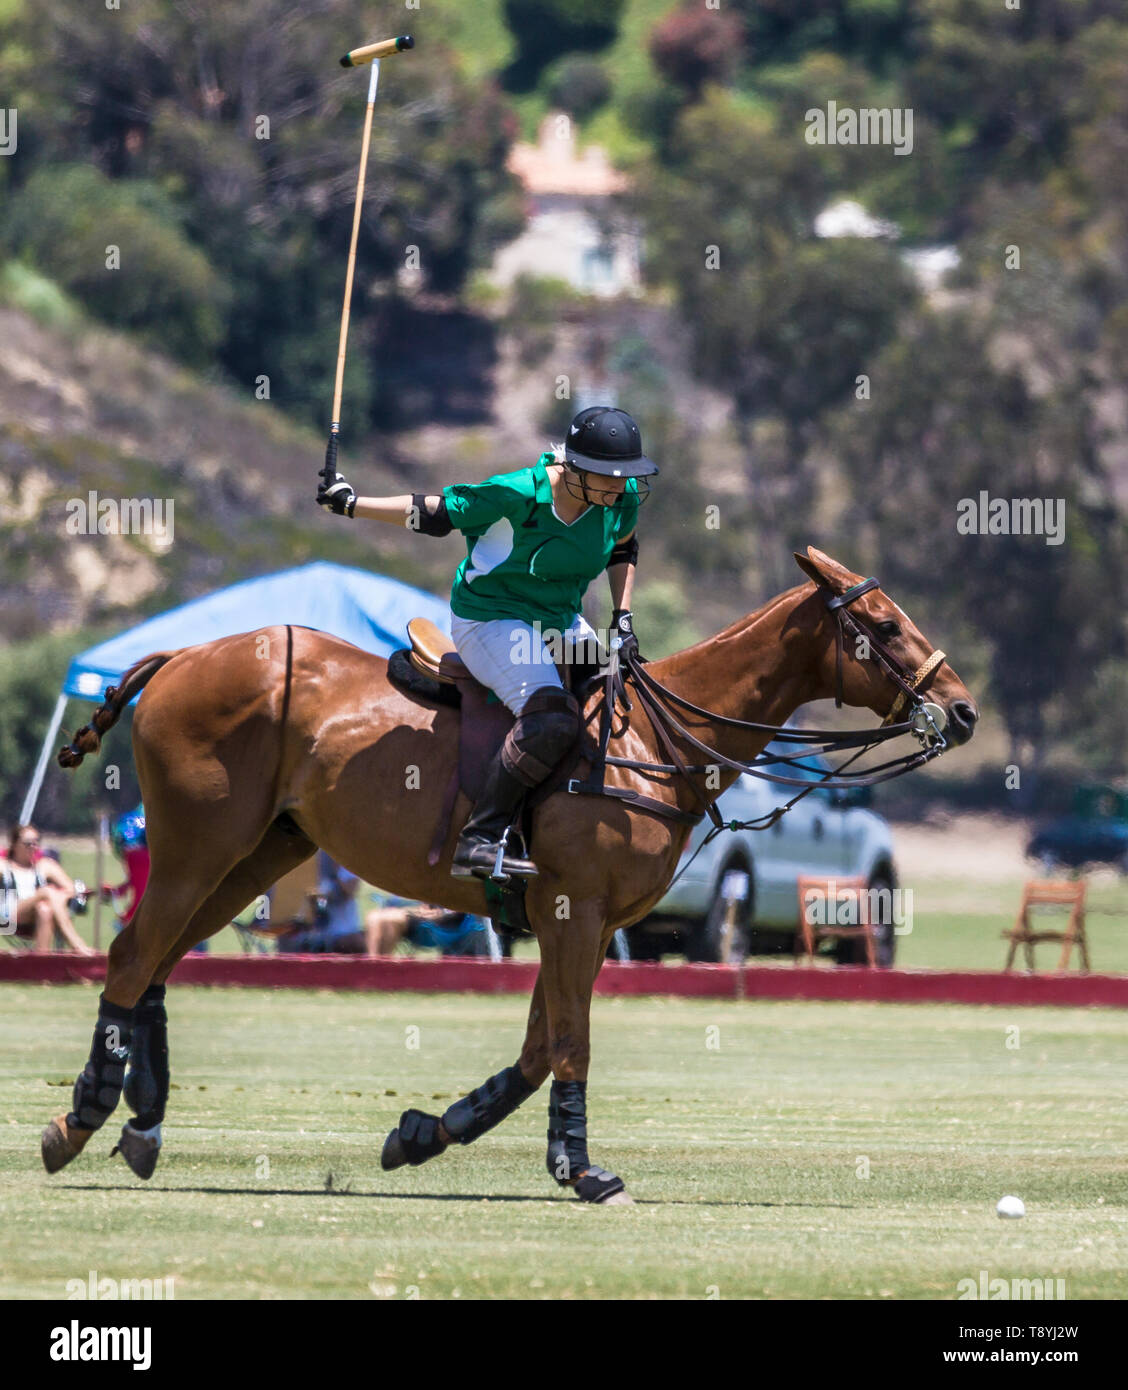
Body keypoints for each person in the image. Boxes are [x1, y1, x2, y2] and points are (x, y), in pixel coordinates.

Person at [317, 405, 657, 881]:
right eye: (610, 478)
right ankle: (480, 839)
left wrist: (622, 618)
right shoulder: (517, 493)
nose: (622, 488)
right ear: (576, 468)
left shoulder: (617, 499)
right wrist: (352, 503)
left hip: (558, 622)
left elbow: (623, 548)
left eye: (628, 478)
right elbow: (434, 513)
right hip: (491, 620)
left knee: (628, 687)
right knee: (553, 718)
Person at [0, 824, 96, 955]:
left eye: (36, 842)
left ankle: (41, 966)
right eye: (28, 843)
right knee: (48, 891)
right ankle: (77, 944)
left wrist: (59, 898)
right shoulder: (4, 865)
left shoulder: (44, 866)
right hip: (10, 915)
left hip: (36, 915)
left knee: (45, 910)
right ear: (14, 844)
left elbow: (71, 890)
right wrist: (51, 895)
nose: (33, 847)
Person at [275, 850, 365, 953]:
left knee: (355, 943)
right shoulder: (292, 846)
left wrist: (337, 856)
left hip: (339, 934)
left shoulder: (339, 846)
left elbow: (351, 888)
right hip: (298, 934)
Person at [365, 895, 493, 958]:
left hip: (437, 926)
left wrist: (436, 914)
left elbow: (452, 913)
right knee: (374, 917)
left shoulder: (455, 887)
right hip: (416, 918)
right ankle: (373, 962)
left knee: (389, 919)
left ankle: (379, 964)